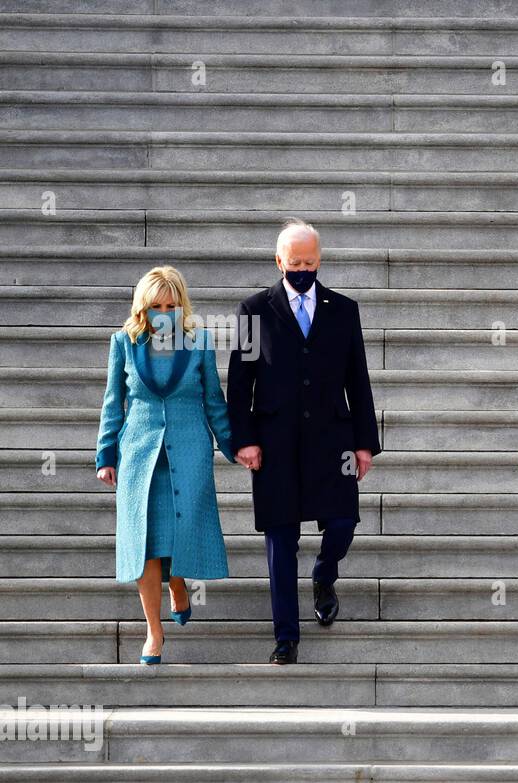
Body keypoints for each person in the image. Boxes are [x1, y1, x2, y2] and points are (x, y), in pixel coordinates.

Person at [226, 219, 380, 666]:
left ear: (320, 261)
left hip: (334, 440)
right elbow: (241, 382)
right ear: (279, 261)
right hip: (274, 443)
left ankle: (324, 573)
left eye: (310, 262)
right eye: (295, 263)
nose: (302, 270)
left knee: (343, 523)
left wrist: (365, 443)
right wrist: (244, 440)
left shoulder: (343, 309)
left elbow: (359, 380)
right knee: (279, 540)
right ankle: (285, 637)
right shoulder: (254, 310)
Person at [95, 266, 235, 664]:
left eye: (172, 305)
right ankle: (154, 634)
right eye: (156, 305)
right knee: (145, 544)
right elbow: (113, 402)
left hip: (189, 450)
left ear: (181, 306)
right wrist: (106, 455)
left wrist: (234, 447)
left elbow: (214, 401)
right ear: (143, 306)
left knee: (182, 527)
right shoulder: (123, 343)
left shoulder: (199, 342)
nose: (164, 312)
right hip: (139, 454)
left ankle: (178, 582)